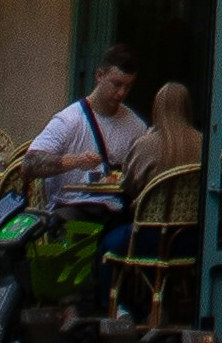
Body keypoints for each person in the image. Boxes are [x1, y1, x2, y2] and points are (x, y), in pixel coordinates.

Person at [23, 51, 147, 221]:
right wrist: (76, 161)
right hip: (72, 207)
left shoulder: (136, 126)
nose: (121, 93)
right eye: (117, 84)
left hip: (117, 209)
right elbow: (29, 164)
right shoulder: (69, 120)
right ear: (99, 75)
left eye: (128, 87)